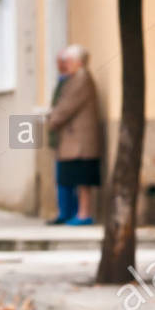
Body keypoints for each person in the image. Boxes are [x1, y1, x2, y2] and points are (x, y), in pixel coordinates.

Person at [47, 45, 101, 225]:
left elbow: (66, 106)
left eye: (68, 61)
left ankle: (84, 215)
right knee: (73, 177)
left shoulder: (81, 78)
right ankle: (74, 214)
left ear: (78, 62)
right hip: (73, 140)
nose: (65, 64)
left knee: (82, 179)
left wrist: (52, 119)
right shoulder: (73, 78)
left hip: (81, 141)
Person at [48, 51, 78, 223]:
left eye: (64, 62)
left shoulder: (73, 81)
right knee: (62, 177)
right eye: (59, 62)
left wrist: (53, 119)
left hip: (69, 138)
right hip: (61, 138)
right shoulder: (63, 80)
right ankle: (64, 212)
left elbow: (64, 108)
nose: (60, 65)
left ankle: (67, 213)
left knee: (67, 178)